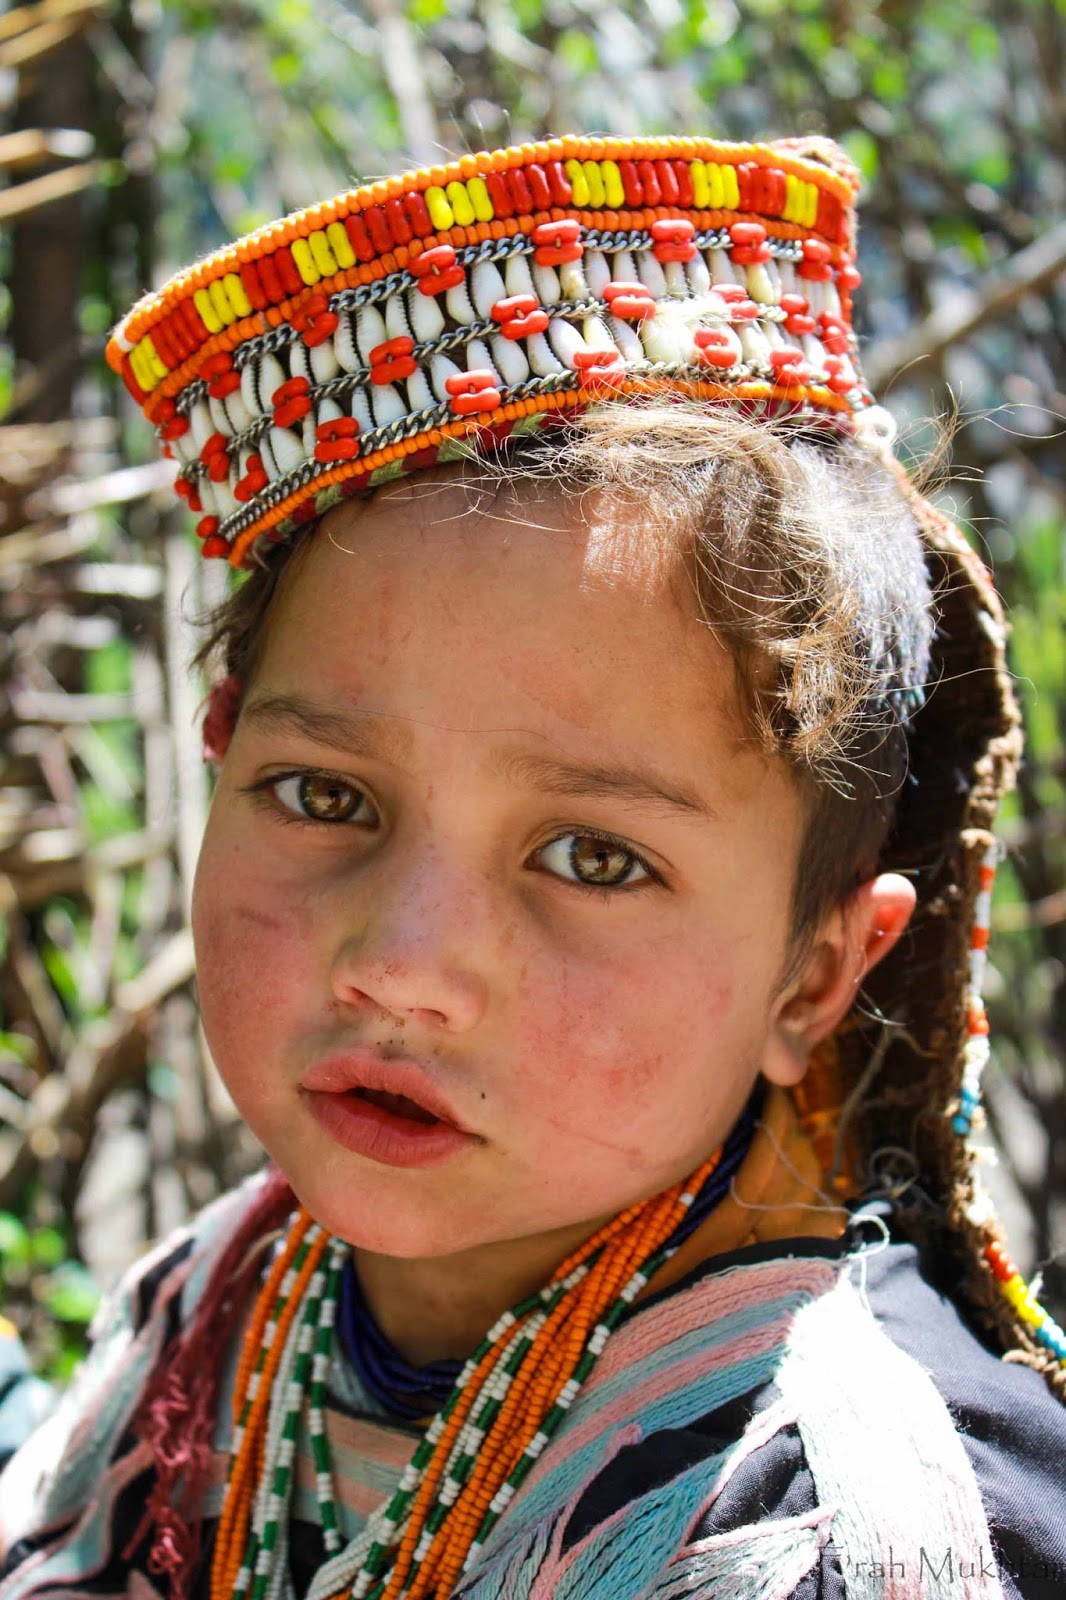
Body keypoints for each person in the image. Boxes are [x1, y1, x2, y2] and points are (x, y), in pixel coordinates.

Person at [0, 132, 1063, 1600]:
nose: (402, 965)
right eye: (324, 795)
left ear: (815, 975)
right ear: (223, 754)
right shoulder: (219, 1301)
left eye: (593, 858)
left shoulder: (843, 1528)